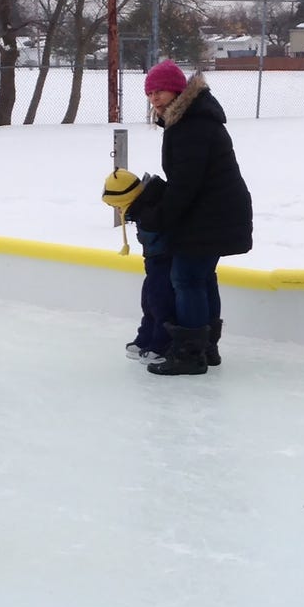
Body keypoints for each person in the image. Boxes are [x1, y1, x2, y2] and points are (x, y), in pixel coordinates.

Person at [121, 59, 251, 376]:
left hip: (210, 215)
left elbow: (186, 184)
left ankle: (190, 354)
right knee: (201, 277)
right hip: (213, 212)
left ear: (178, 90)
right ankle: (206, 348)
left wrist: (157, 216)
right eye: (150, 93)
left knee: (187, 279)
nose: (154, 98)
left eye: (160, 91)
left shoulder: (191, 126)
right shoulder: (191, 120)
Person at [101, 166, 173, 363]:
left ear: (126, 199)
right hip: (154, 262)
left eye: (117, 206)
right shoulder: (144, 207)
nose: (117, 210)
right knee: (149, 299)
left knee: (160, 301)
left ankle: (162, 344)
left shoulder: (151, 210)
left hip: (165, 261)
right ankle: (147, 336)